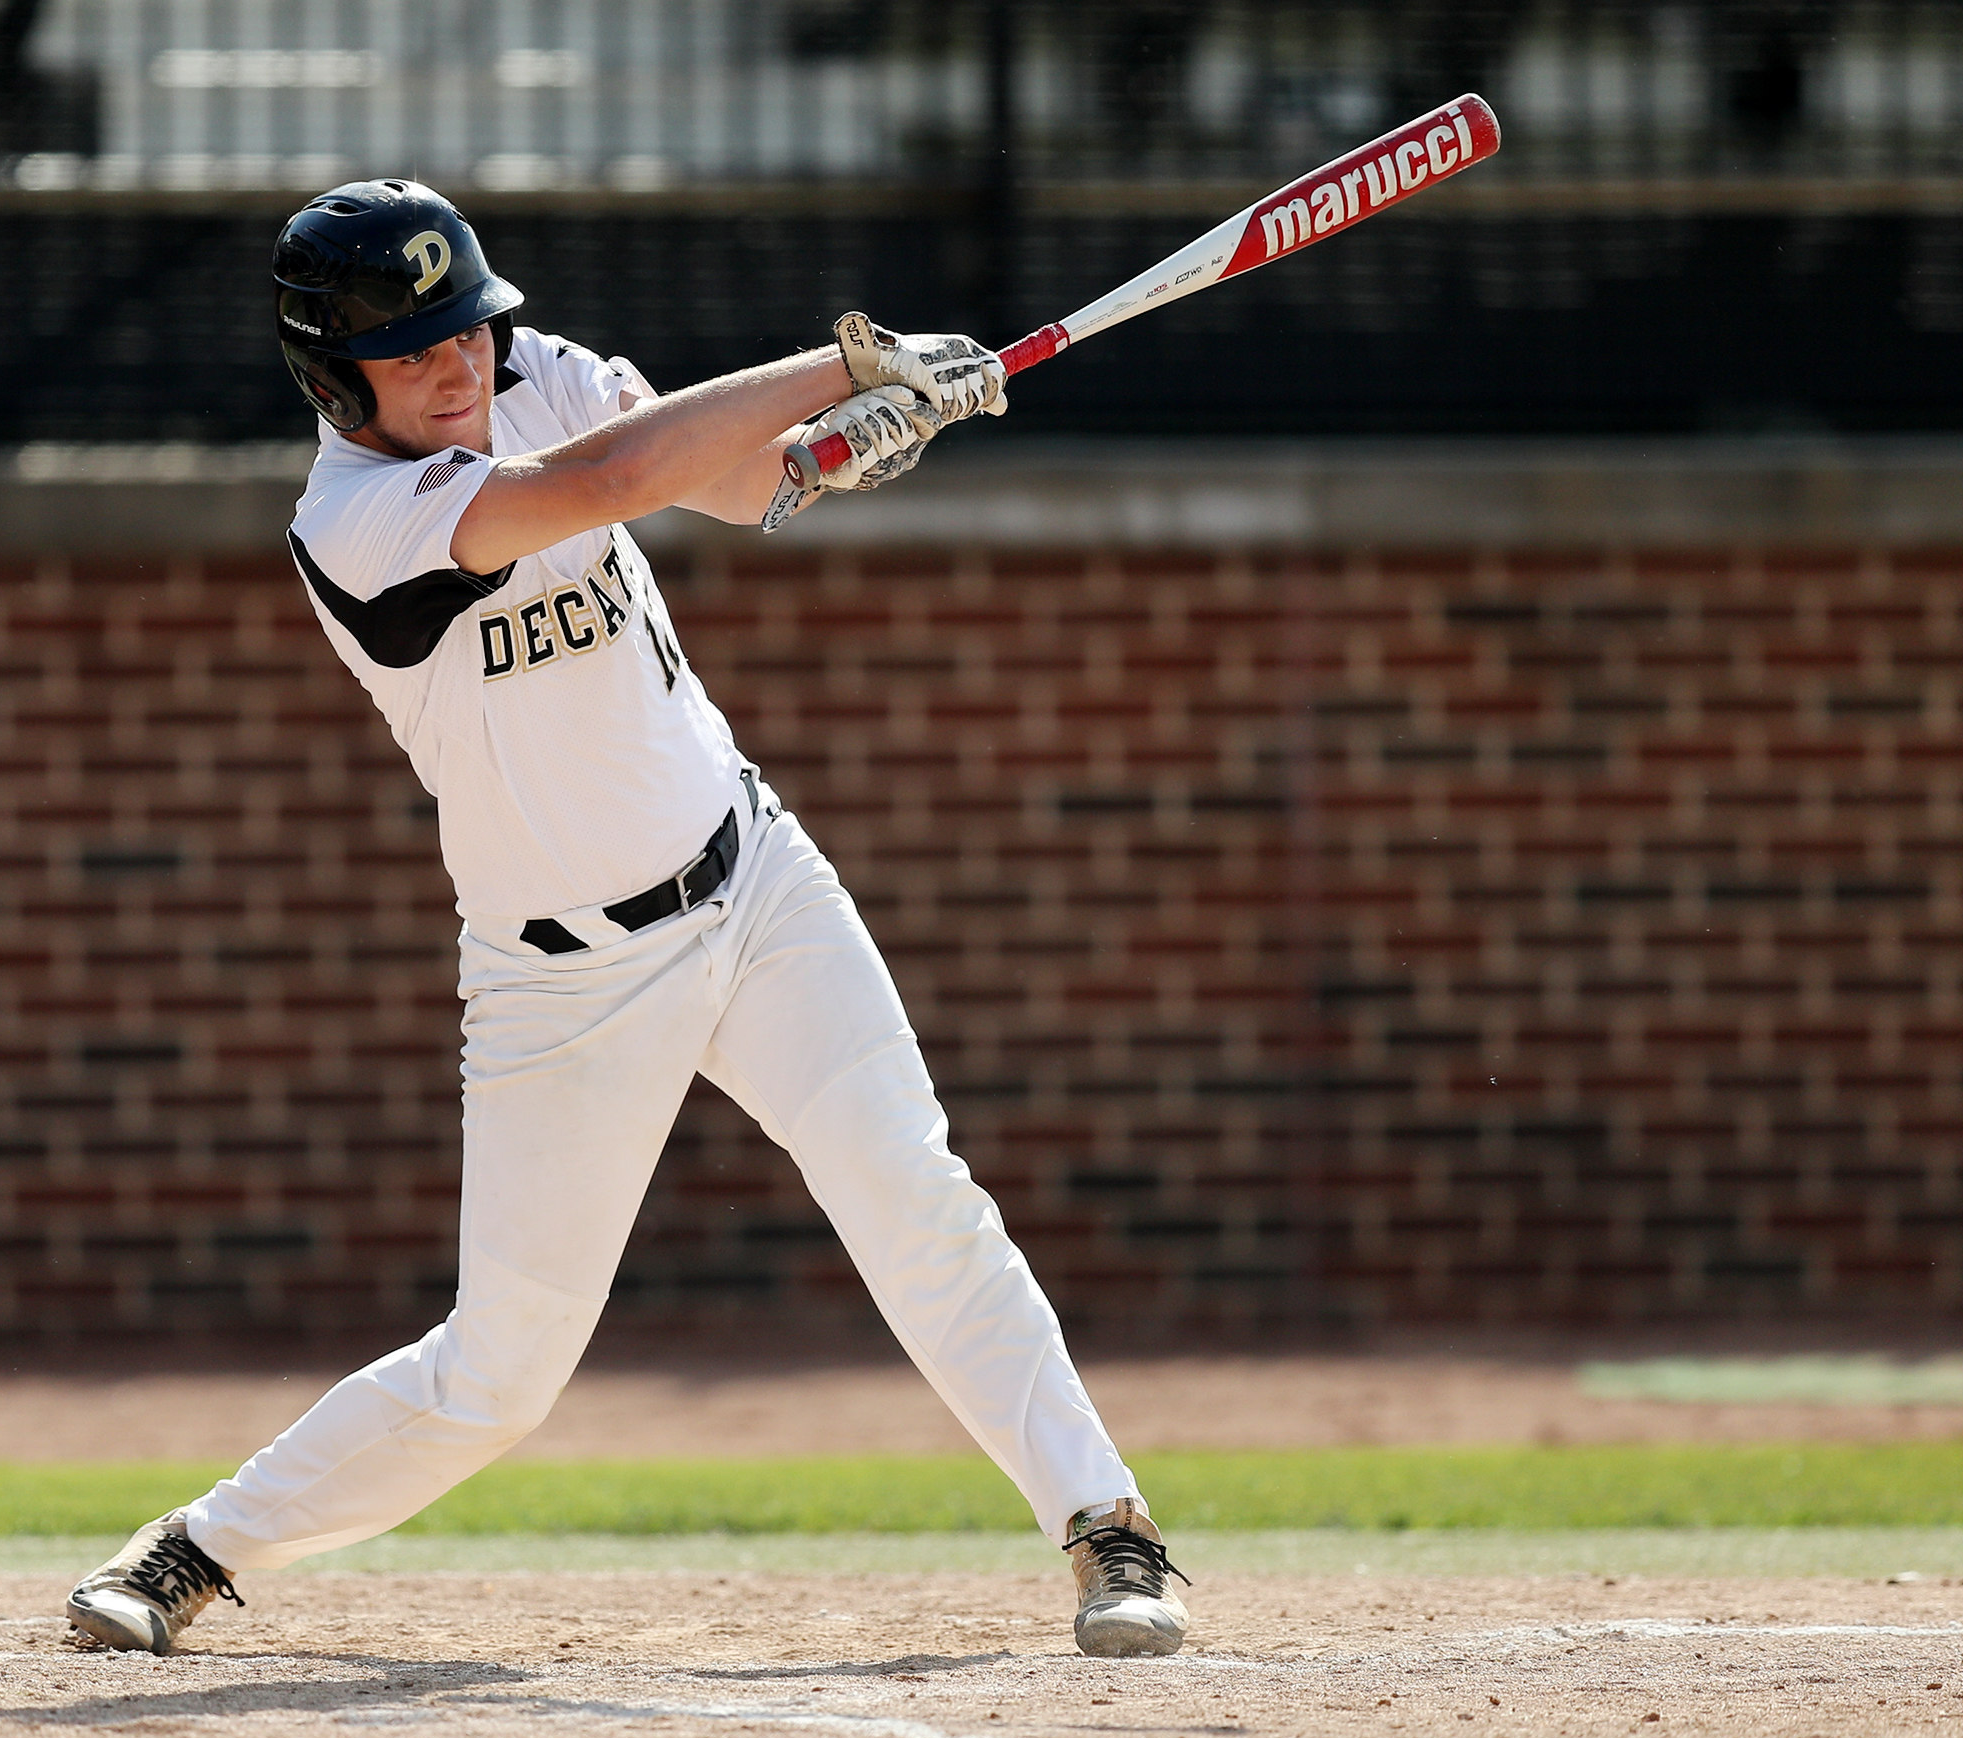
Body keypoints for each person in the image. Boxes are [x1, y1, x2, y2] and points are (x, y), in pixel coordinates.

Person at [62, 179, 1187, 1660]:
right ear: (333, 378)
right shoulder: (357, 526)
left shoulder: (540, 372)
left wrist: (845, 444)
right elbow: (604, 482)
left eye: (467, 330)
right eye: (415, 354)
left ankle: (1114, 1531)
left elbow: (726, 480)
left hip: (755, 875)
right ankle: (196, 1547)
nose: (462, 367)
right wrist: (858, 362)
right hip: (561, 977)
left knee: (916, 1199)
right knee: (504, 1373)